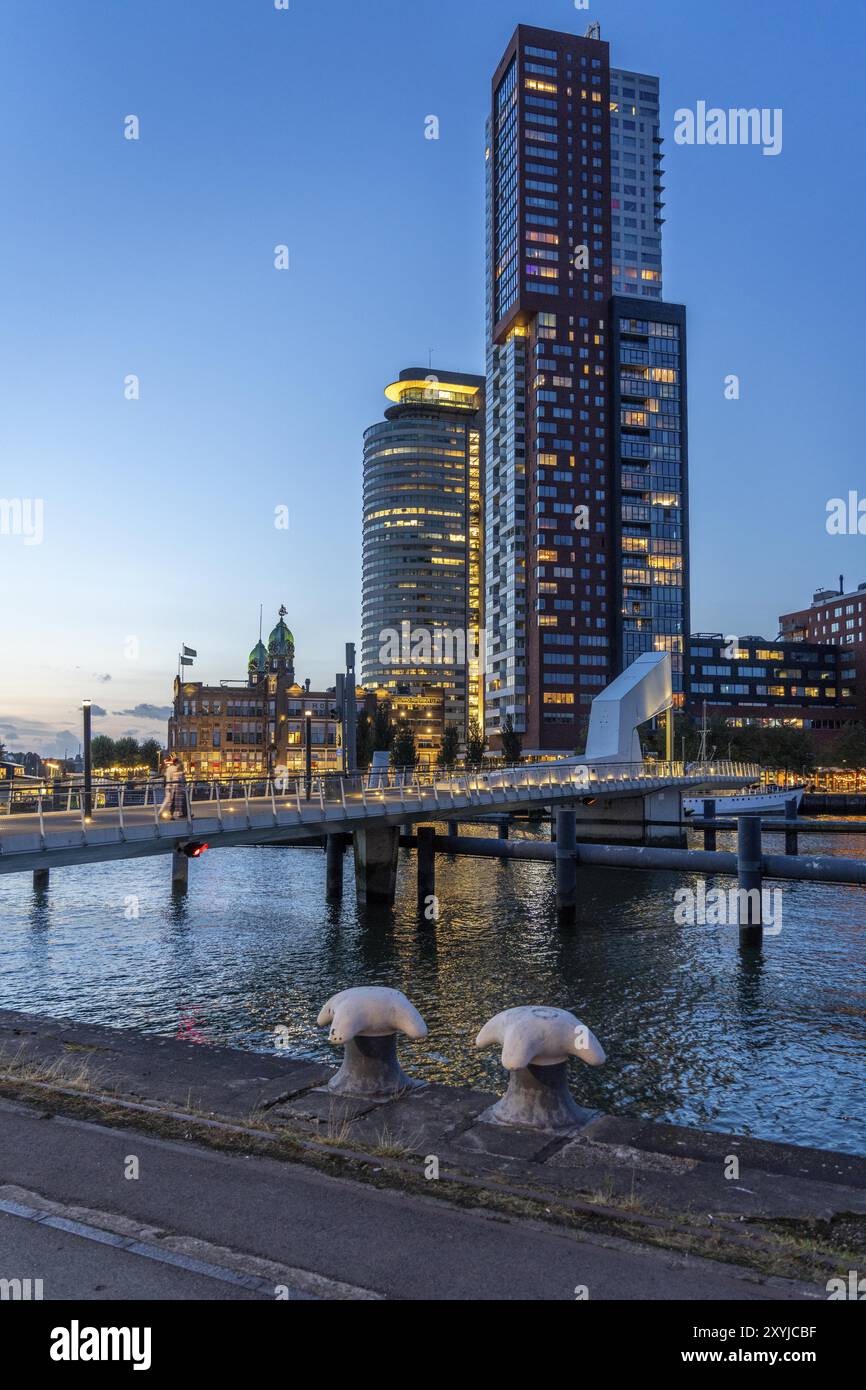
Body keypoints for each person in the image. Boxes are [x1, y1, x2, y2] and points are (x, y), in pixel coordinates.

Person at [160, 755, 188, 820]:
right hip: (177, 789)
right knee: (176, 801)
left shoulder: (169, 768)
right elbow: (183, 781)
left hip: (172, 787)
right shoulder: (178, 772)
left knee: (171, 802)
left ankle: (174, 814)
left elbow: (166, 776)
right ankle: (181, 813)